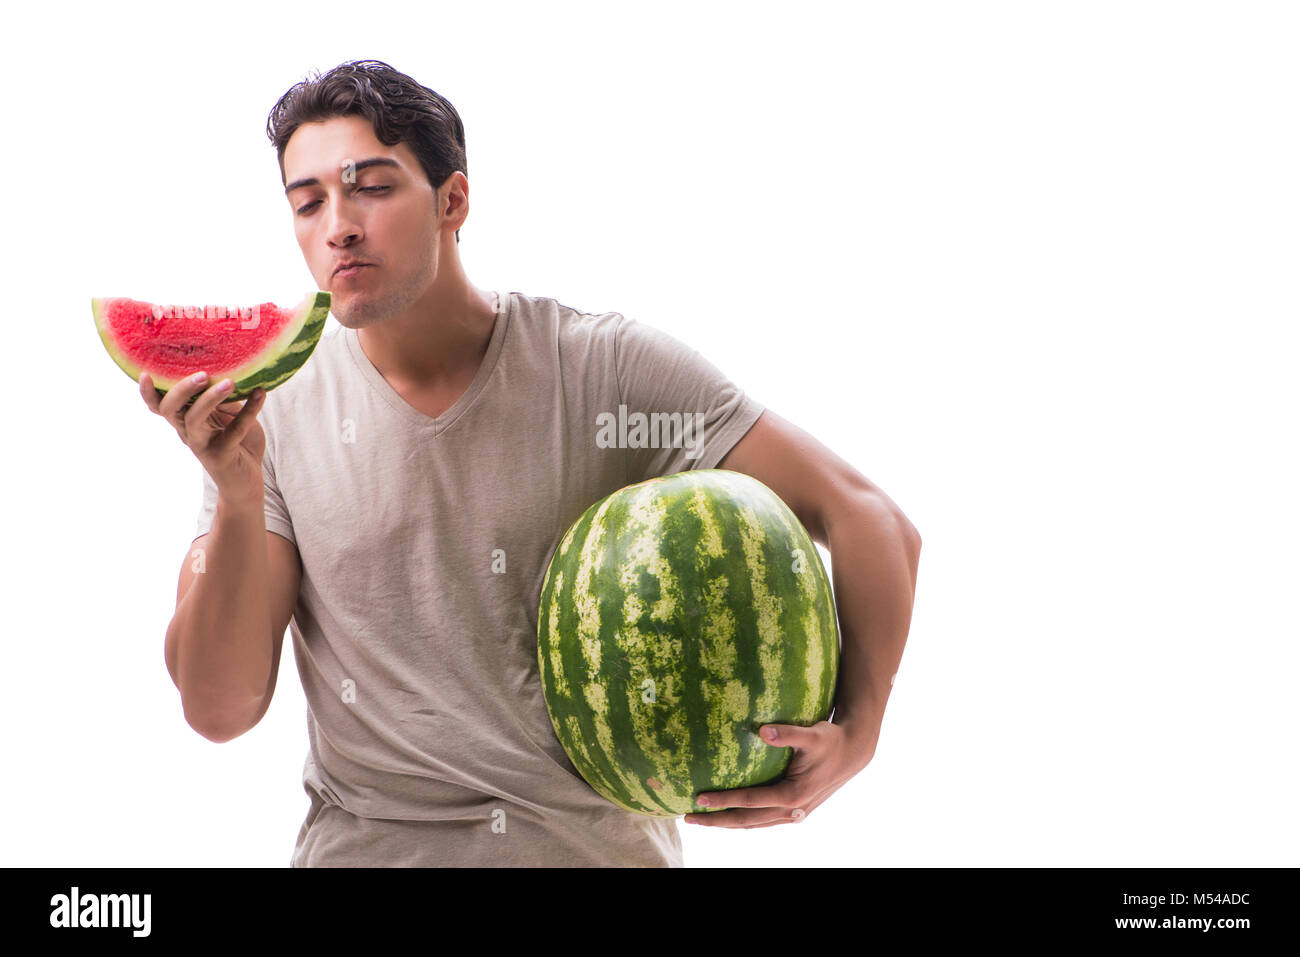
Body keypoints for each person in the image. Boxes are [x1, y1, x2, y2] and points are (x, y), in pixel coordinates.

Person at [147, 59, 921, 867]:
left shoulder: (604, 370)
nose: (337, 225)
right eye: (308, 203)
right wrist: (235, 490)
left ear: (453, 200)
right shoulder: (275, 417)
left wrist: (858, 733)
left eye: (371, 187)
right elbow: (220, 706)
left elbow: (870, 518)